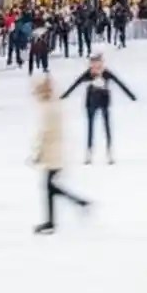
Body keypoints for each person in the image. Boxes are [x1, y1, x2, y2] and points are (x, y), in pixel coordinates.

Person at [32, 76, 90, 234]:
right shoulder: (53, 105)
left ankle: (55, 219)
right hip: (56, 152)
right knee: (50, 187)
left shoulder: (49, 108)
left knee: (50, 186)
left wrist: (38, 153)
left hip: (52, 153)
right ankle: (73, 207)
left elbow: (45, 133)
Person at [60, 53, 137, 164]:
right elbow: (75, 84)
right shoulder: (88, 74)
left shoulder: (106, 73)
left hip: (104, 102)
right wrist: (65, 95)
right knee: (90, 128)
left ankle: (109, 152)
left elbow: (119, 83)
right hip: (91, 103)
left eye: (98, 64)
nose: (96, 68)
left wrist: (131, 96)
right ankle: (89, 152)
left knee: (106, 126)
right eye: (93, 65)